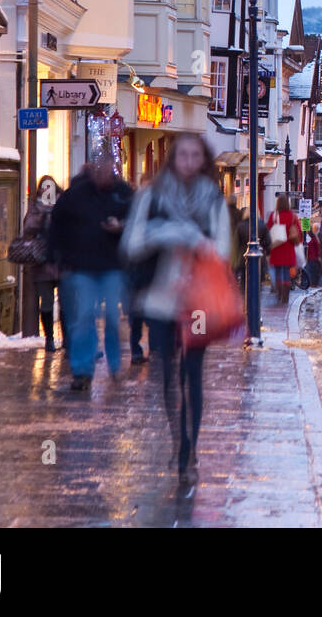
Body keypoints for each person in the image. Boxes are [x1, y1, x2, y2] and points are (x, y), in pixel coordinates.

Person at [120, 133, 232, 487]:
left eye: (193, 155)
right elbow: (131, 243)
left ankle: (188, 449)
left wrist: (196, 240)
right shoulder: (150, 195)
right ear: (172, 158)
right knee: (168, 375)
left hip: (197, 304)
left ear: (203, 159)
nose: (187, 161)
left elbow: (224, 252)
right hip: (159, 300)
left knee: (192, 373)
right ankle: (177, 438)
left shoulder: (213, 199)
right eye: (181, 154)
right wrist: (165, 234)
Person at [47, 147, 134, 392]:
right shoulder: (75, 195)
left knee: (113, 319)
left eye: (105, 168)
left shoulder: (124, 194)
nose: (101, 174)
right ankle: (82, 371)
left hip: (114, 267)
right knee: (84, 317)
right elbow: (57, 225)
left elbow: (139, 224)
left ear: (112, 168)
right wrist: (54, 258)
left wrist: (122, 227)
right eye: (97, 169)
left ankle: (115, 365)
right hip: (81, 267)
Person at [20, 175, 64, 353]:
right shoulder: (36, 208)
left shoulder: (63, 204)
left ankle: (66, 339)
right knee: (46, 302)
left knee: (66, 302)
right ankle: (49, 339)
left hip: (62, 261)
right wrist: (40, 214)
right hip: (42, 261)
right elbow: (27, 228)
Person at [265, 195, 301, 305]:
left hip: (276, 248)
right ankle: (285, 297)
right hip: (288, 247)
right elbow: (299, 232)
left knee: (278, 274)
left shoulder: (273, 216)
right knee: (286, 273)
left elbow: (268, 231)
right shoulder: (293, 216)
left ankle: (279, 295)